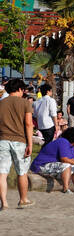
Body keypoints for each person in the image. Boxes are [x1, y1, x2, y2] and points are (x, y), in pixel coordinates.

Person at [0, 76, 34, 209]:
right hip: (20, 140)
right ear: (20, 89)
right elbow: (28, 123)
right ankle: (23, 199)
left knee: (2, 173)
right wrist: (30, 144)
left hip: (2, 139)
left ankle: (4, 202)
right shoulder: (25, 103)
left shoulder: (1, 103)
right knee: (22, 172)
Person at [30, 127, 74, 193]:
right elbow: (64, 159)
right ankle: (65, 189)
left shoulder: (71, 145)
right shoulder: (62, 141)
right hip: (41, 166)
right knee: (66, 165)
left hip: (52, 167)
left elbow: (72, 160)